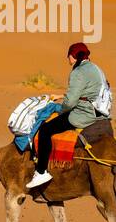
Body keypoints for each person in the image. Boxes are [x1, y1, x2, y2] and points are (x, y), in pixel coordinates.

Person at [27, 42, 108, 189]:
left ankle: (41, 171)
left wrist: (60, 109)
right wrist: (61, 96)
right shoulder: (95, 68)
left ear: (74, 56)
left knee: (45, 130)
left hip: (85, 113)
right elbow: (87, 90)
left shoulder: (77, 72)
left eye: (69, 55)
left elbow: (70, 103)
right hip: (100, 111)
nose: (67, 59)